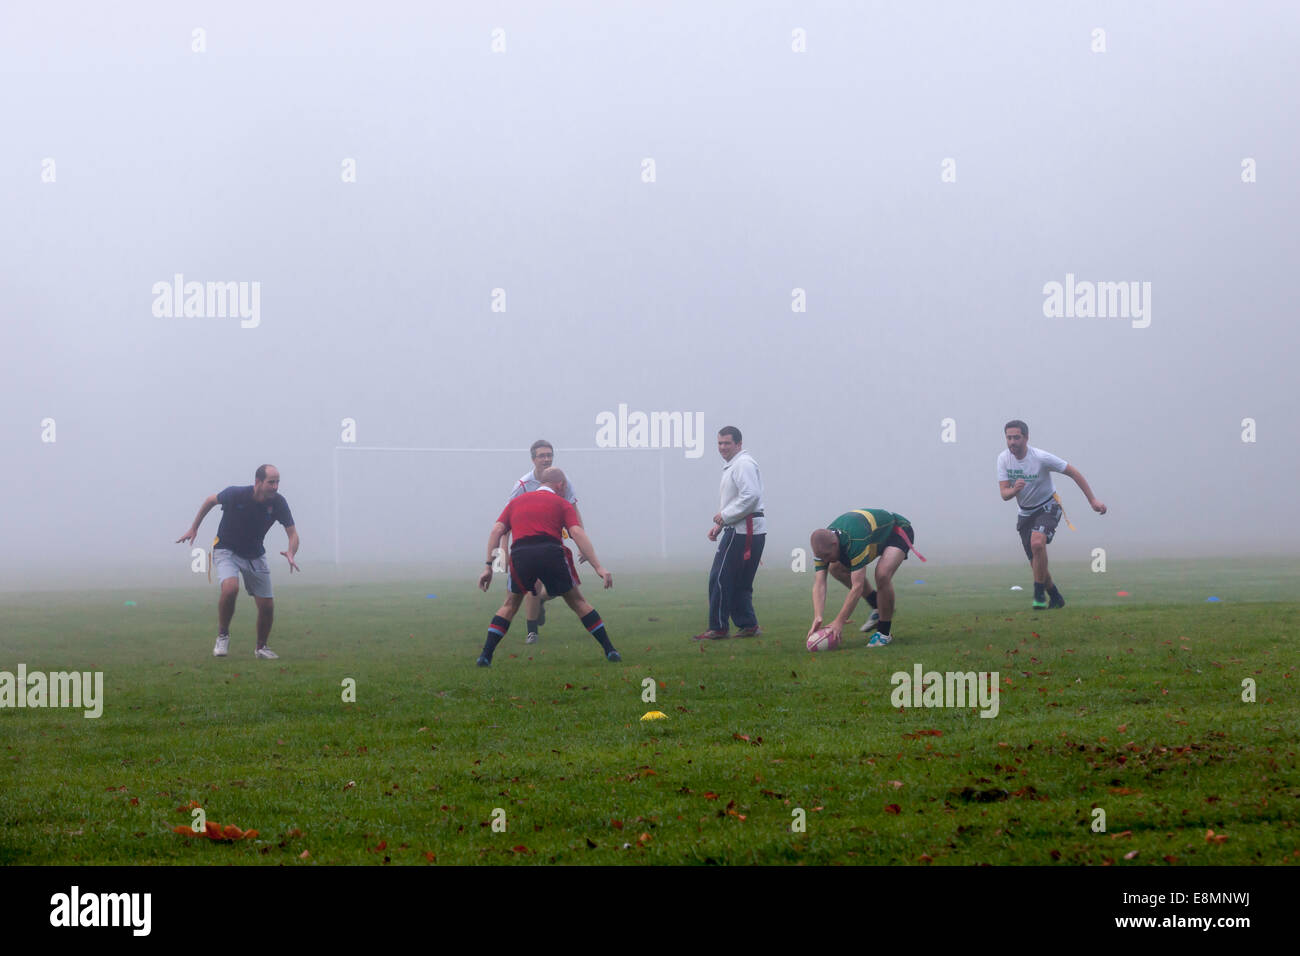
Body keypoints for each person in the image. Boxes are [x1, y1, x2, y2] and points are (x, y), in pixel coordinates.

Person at [476, 467, 618, 666]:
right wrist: (598, 567)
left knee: (510, 604)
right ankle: (610, 650)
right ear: (561, 485)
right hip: (551, 552)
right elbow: (576, 533)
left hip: (521, 554)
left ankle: (485, 655)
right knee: (577, 602)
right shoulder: (562, 503)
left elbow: (496, 530)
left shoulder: (515, 503)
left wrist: (488, 566)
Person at [176, 464, 299, 659]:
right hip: (226, 550)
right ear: (258, 482)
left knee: (267, 606)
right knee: (230, 588)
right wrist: (194, 528)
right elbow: (210, 500)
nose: (275, 487)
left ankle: (261, 648)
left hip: (255, 554)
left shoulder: (278, 503)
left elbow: (292, 534)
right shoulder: (235, 494)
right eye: (271, 482)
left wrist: (292, 552)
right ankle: (223, 636)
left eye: (278, 482)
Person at [997, 420, 1106, 609]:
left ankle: (1038, 596)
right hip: (1025, 513)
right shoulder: (1003, 459)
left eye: (1017, 437)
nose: (1012, 442)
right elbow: (1004, 494)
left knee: (1037, 543)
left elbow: (1073, 473)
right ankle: (1055, 596)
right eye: (1009, 438)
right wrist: (1015, 490)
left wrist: (1093, 501)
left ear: (1026, 438)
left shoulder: (1040, 457)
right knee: (1037, 565)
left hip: (1048, 506)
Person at [505, 440, 585, 645]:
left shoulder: (561, 480)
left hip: (553, 541)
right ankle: (532, 632)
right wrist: (503, 551)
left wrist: (582, 543)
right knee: (530, 586)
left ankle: (540, 600)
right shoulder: (523, 485)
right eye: (541, 455)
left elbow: (573, 511)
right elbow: (505, 520)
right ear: (533, 459)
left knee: (563, 588)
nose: (546, 459)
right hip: (526, 544)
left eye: (549, 455)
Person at [808, 509, 919, 648]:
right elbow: (819, 583)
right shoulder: (823, 548)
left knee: (882, 575)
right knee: (835, 568)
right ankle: (878, 605)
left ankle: (884, 634)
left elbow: (857, 586)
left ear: (835, 545)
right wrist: (818, 616)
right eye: (822, 557)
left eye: (827, 555)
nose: (825, 559)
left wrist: (839, 621)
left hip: (897, 531)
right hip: (874, 536)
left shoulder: (854, 540)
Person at [693, 426, 765, 640]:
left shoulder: (743, 464)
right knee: (740, 581)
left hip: (744, 531)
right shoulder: (735, 465)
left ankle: (718, 627)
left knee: (720, 578)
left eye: (727, 443)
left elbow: (750, 496)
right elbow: (739, 500)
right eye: (719, 443)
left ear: (739, 444)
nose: (722, 447)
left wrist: (725, 516)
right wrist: (721, 525)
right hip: (746, 529)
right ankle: (748, 625)